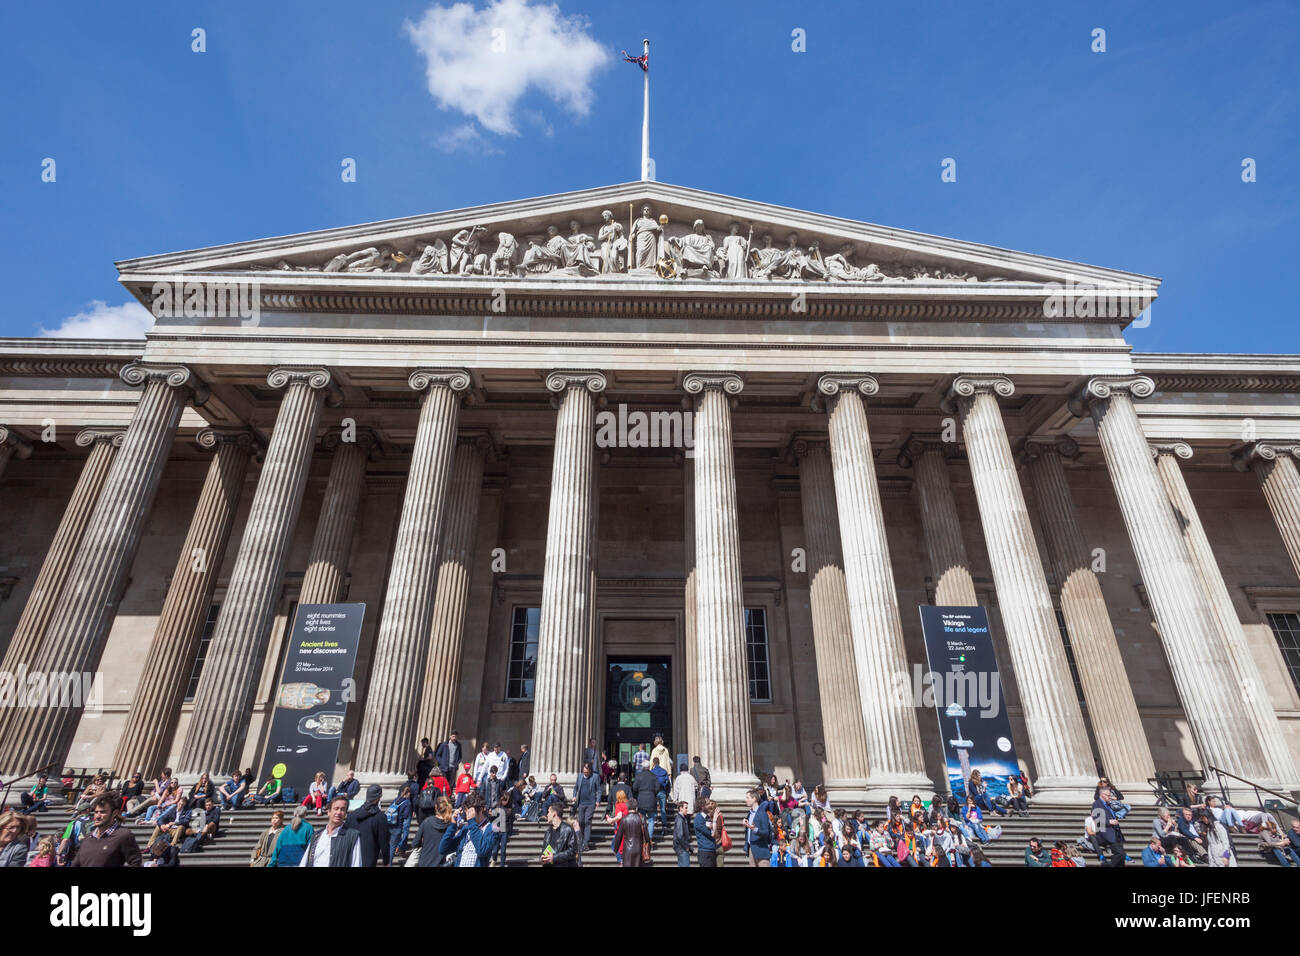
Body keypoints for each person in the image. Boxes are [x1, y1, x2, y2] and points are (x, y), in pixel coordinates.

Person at [72, 792, 142, 867]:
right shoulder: (88, 838)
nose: (97, 816)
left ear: (115, 813)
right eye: (96, 812)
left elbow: (135, 862)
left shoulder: (123, 835)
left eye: (102, 812)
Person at [300, 795, 362, 867]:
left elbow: (356, 864)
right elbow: (304, 862)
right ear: (329, 812)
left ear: (345, 813)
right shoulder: (317, 835)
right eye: (336, 808)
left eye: (342, 809)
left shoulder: (352, 836)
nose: (339, 812)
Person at [438, 792, 496, 867]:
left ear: (481, 810)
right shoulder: (466, 829)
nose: (467, 815)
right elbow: (443, 849)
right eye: (466, 811)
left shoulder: (490, 829)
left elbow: (482, 851)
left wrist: (472, 823)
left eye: (471, 812)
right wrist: (452, 825)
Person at [345, 783, 392, 867]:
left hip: (351, 859)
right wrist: (386, 861)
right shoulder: (380, 817)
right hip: (368, 860)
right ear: (379, 797)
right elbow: (384, 842)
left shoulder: (351, 815)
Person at [413, 796, 454, 867]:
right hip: (442, 863)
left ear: (436, 807)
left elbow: (415, 843)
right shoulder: (451, 826)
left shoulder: (427, 822)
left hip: (425, 862)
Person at [1092, 788, 1126, 866]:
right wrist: (1109, 822)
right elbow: (1097, 820)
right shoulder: (1097, 804)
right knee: (1120, 854)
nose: (1110, 797)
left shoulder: (1107, 804)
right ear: (1103, 795)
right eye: (1108, 795)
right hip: (1108, 834)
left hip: (1116, 833)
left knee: (1122, 857)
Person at [540, 801, 578, 866]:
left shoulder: (568, 829)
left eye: (548, 812)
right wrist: (542, 858)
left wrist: (554, 858)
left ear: (554, 814)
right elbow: (544, 849)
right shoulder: (548, 831)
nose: (547, 814)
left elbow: (572, 851)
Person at [614, 798, 650, 867]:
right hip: (639, 848)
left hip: (627, 850)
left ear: (627, 807)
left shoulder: (624, 819)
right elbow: (646, 835)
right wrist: (648, 847)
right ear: (636, 807)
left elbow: (618, 836)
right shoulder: (642, 818)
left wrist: (616, 849)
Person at [573, 762, 600, 851]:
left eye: (586, 772)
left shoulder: (595, 777)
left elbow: (599, 790)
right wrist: (574, 796)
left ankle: (586, 842)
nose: (585, 773)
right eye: (584, 772)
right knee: (581, 821)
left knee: (587, 821)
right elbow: (576, 787)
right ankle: (581, 840)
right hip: (581, 803)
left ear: (590, 771)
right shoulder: (580, 776)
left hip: (591, 803)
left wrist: (598, 801)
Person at [743, 788, 772, 867]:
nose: (746, 800)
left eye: (747, 798)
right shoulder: (749, 814)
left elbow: (766, 832)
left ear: (754, 799)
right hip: (751, 849)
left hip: (761, 850)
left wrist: (754, 829)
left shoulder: (762, 813)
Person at [634, 761, 660, 843]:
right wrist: (653, 793)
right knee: (651, 820)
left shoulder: (638, 776)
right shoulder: (654, 776)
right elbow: (658, 787)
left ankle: (642, 837)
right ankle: (649, 838)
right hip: (651, 799)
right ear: (649, 767)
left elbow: (634, 788)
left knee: (642, 820)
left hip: (641, 799)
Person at [386, 786, 413, 862]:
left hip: (389, 825)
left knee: (388, 846)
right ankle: (389, 864)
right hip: (397, 827)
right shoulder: (407, 802)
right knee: (392, 848)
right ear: (408, 793)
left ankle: (387, 863)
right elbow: (405, 815)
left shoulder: (396, 799)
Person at [694, 799, 718, 867]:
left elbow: (715, 833)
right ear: (702, 807)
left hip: (711, 849)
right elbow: (712, 834)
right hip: (705, 852)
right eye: (707, 804)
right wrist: (715, 820)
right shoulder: (699, 818)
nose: (710, 806)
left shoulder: (707, 818)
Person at [673, 800, 693, 867]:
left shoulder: (682, 818)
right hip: (682, 848)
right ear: (681, 808)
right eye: (686, 808)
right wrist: (686, 847)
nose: (687, 810)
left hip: (681, 848)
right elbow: (679, 835)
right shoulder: (680, 819)